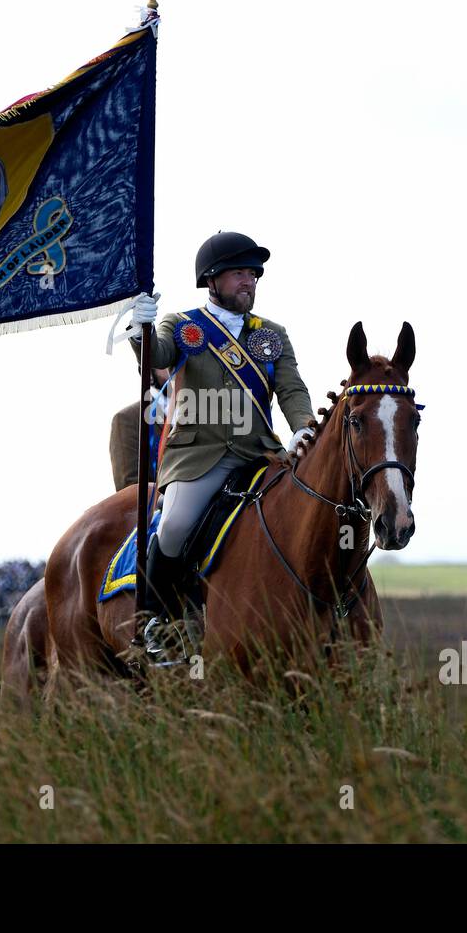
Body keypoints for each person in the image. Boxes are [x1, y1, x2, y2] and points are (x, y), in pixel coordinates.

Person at [125, 231, 316, 652]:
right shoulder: (183, 324)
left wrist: (302, 425)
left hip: (260, 454)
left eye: (252, 274)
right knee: (174, 528)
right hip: (198, 457)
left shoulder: (273, 335)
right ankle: (158, 621)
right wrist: (140, 330)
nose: (248, 282)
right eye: (238, 274)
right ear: (211, 280)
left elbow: (292, 390)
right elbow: (156, 357)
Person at [108, 365, 170, 492]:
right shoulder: (127, 419)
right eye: (167, 361)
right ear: (149, 372)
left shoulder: (206, 410)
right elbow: (130, 489)